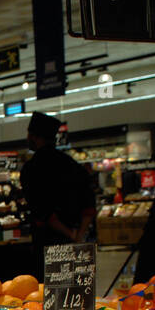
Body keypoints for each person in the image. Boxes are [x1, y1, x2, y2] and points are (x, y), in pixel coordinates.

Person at [19, 112, 97, 273]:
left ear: (35, 137)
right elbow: (89, 204)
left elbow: (42, 210)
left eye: (29, 134)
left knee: (46, 292)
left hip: (47, 241)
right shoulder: (73, 165)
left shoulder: (31, 169)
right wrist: (78, 234)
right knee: (76, 290)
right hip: (76, 240)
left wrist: (67, 233)